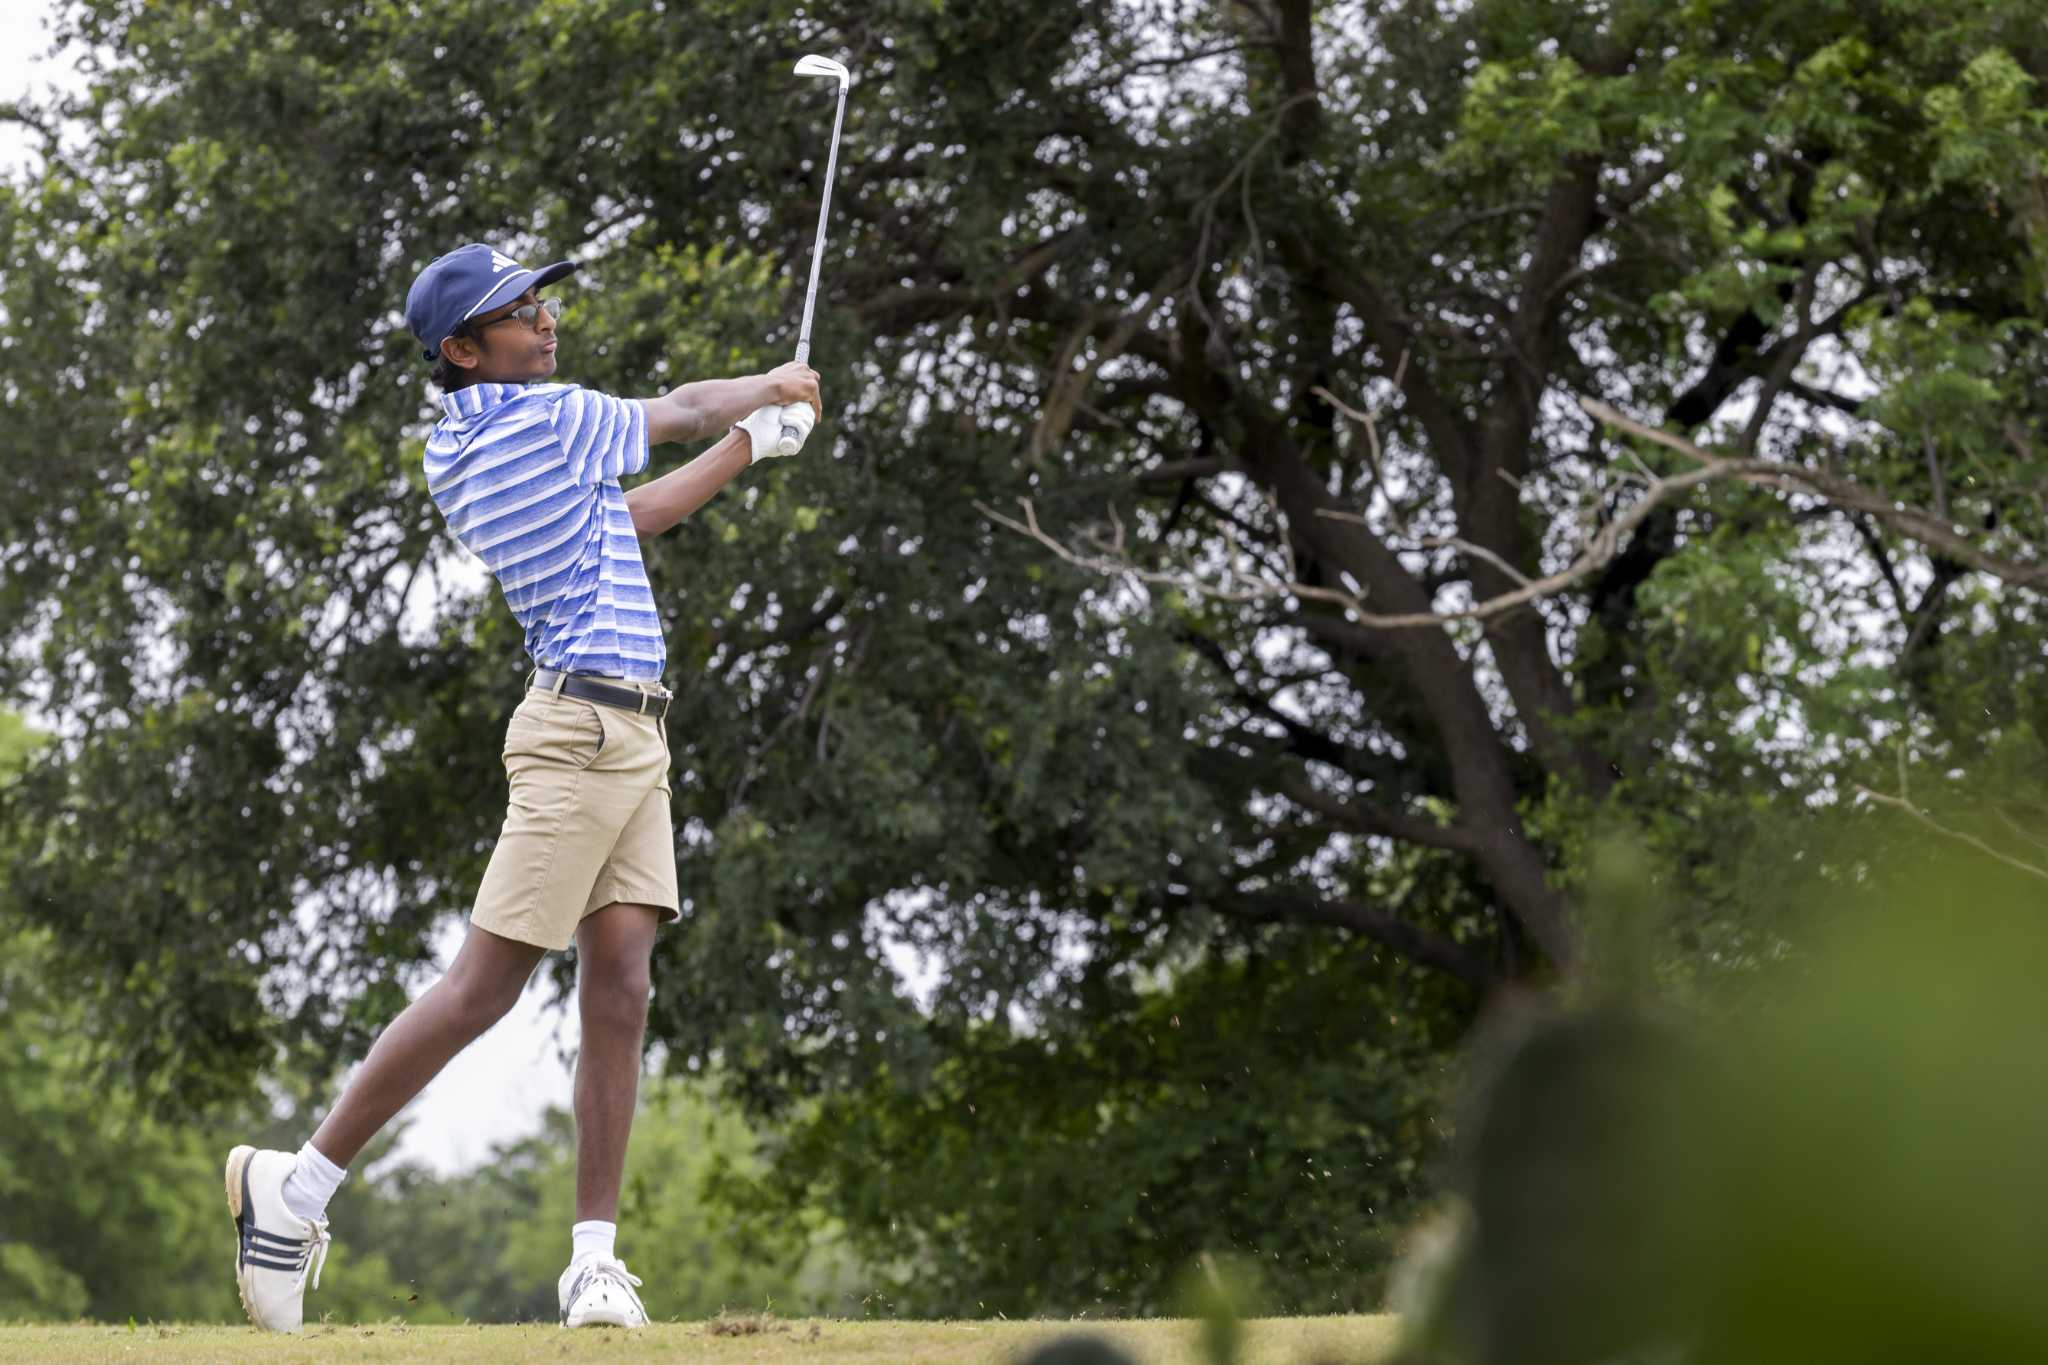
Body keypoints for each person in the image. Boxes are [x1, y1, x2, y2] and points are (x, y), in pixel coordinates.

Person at [222, 242, 822, 1333]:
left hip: (631, 732)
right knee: (484, 988)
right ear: (462, 350)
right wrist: (767, 402)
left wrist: (749, 448)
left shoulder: (478, 440)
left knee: (623, 983)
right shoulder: (539, 421)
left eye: (541, 303)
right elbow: (684, 405)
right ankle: (295, 1188)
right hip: (580, 735)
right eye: (515, 313)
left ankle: (594, 1264)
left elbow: (631, 519)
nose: (543, 322)